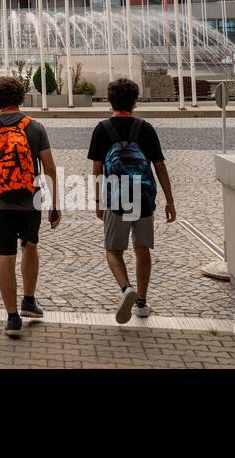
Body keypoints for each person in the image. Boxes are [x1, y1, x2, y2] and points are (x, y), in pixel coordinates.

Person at [0, 76, 59, 334]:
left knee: (5, 257)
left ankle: (12, 318)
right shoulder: (35, 127)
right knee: (30, 246)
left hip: (0, 203)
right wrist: (55, 205)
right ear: (20, 97)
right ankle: (29, 301)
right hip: (31, 199)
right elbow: (50, 168)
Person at [88, 77, 176, 324]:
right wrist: (170, 201)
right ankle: (141, 302)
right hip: (143, 198)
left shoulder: (102, 129)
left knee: (113, 251)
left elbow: (97, 170)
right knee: (142, 249)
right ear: (135, 101)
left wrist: (98, 200)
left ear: (109, 100)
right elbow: (159, 167)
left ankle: (126, 288)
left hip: (116, 197)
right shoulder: (145, 128)